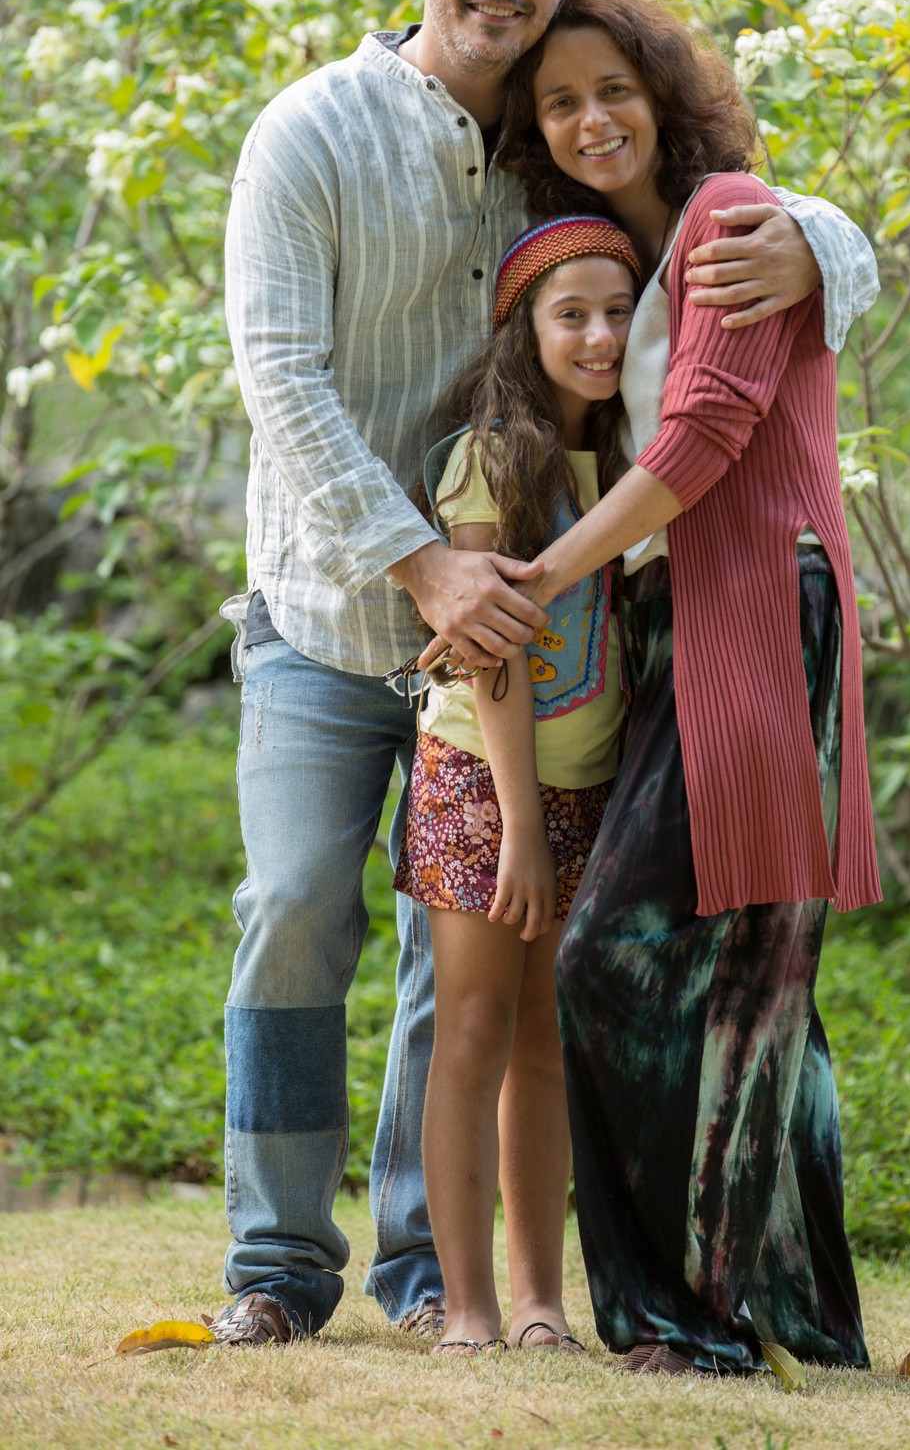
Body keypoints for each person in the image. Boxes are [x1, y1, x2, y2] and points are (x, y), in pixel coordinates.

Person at [213, 0, 880, 1347]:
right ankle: (276, 1265)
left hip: (543, 636)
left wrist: (827, 246)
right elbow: (280, 377)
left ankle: (429, 1275)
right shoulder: (311, 130)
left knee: (470, 967)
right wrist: (423, 561)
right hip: (336, 611)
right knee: (296, 905)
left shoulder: (553, 137)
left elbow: (712, 204)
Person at [493, 0, 883, 1376]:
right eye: (560, 101)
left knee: (613, 955)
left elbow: (708, 433)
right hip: (679, 614)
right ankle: (801, 1317)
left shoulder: (729, 220)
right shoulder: (628, 256)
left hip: (763, 600)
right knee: (760, 975)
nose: (592, 118)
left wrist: (542, 576)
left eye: (615, 89)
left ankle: (679, 1316)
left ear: (665, 96)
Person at [393, 215, 640, 1356]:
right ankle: (470, 1307)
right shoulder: (493, 459)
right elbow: (490, 659)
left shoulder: (635, 456)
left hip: (592, 783)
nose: (599, 336)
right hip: (482, 783)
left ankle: (542, 1301)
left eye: (618, 312)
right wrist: (525, 829)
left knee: (547, 1037)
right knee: (475, 1025)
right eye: (570, 314)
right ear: (523, 330)